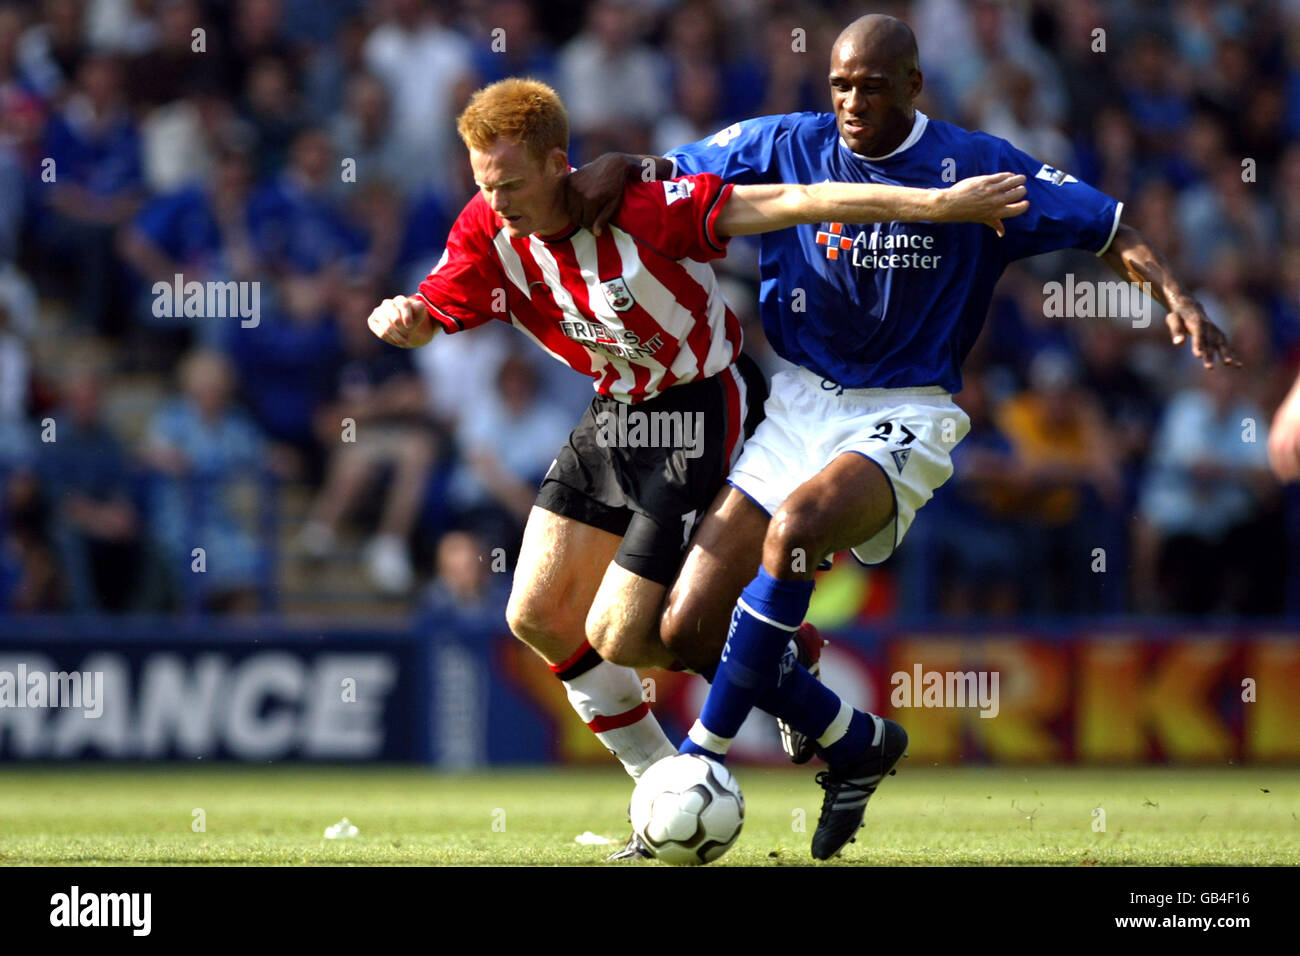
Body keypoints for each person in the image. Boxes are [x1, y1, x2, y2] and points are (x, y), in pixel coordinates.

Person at [567, 14, 1239, 860]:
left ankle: (700, 762)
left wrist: (1176, 298)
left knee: (798, 530)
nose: (851, 100)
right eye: (841, 84)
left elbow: (1112, 232)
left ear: (914, 86)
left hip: (908, 410)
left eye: (872, 86)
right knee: (687, 627)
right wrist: (611, 163)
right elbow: (662, 171)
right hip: (800, 404)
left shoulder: (979, 166)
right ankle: (854, 742)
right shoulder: (784, 143)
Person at [367, 77, 1028, 850]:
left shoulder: (643, 208)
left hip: (698, 406)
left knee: (630, 634)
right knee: (536, 616)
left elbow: (793, 203)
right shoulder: (486, 229)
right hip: (615, 411)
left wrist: (937, 207)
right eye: (485, 184)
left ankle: (776, 693)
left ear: (557, 162)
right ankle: (673, 790)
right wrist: (407, 320)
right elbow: (433, 307)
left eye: (512, 183)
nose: (499, 200)